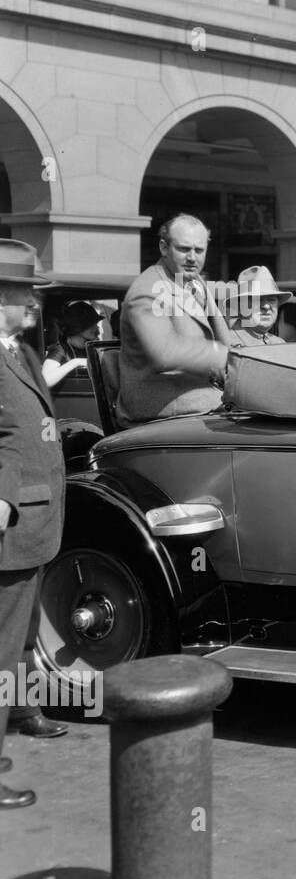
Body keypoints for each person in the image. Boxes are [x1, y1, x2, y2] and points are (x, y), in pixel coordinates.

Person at [0, 240, 70, 810]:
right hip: (11, 520)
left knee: (22, 638)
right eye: (27, 292)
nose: (35, 304)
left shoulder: (16, 350)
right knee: (0, 650)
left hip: (34, 519)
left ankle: (20, 711)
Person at [117, 214, 232, 424]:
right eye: (184, 249)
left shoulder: (194, 282)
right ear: (163, 248)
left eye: (199, 250)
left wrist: (246, 363)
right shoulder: (147, 290)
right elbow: (166, 352)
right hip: (163, 414)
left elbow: (225, 339)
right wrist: (224, 355)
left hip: (203, 403)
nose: (192, 258)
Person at [226, 266, 296, 348]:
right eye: (257, 299)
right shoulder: (227, 344)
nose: (266, 306)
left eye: (271, 300)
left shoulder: (279, 343)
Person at [41, 300, 100, 388]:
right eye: (90, 324)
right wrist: (76, 362)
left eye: (95, 323)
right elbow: (45, 381)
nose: (96, 327)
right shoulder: (60, 350)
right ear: (78, 327)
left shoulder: (94, 348)